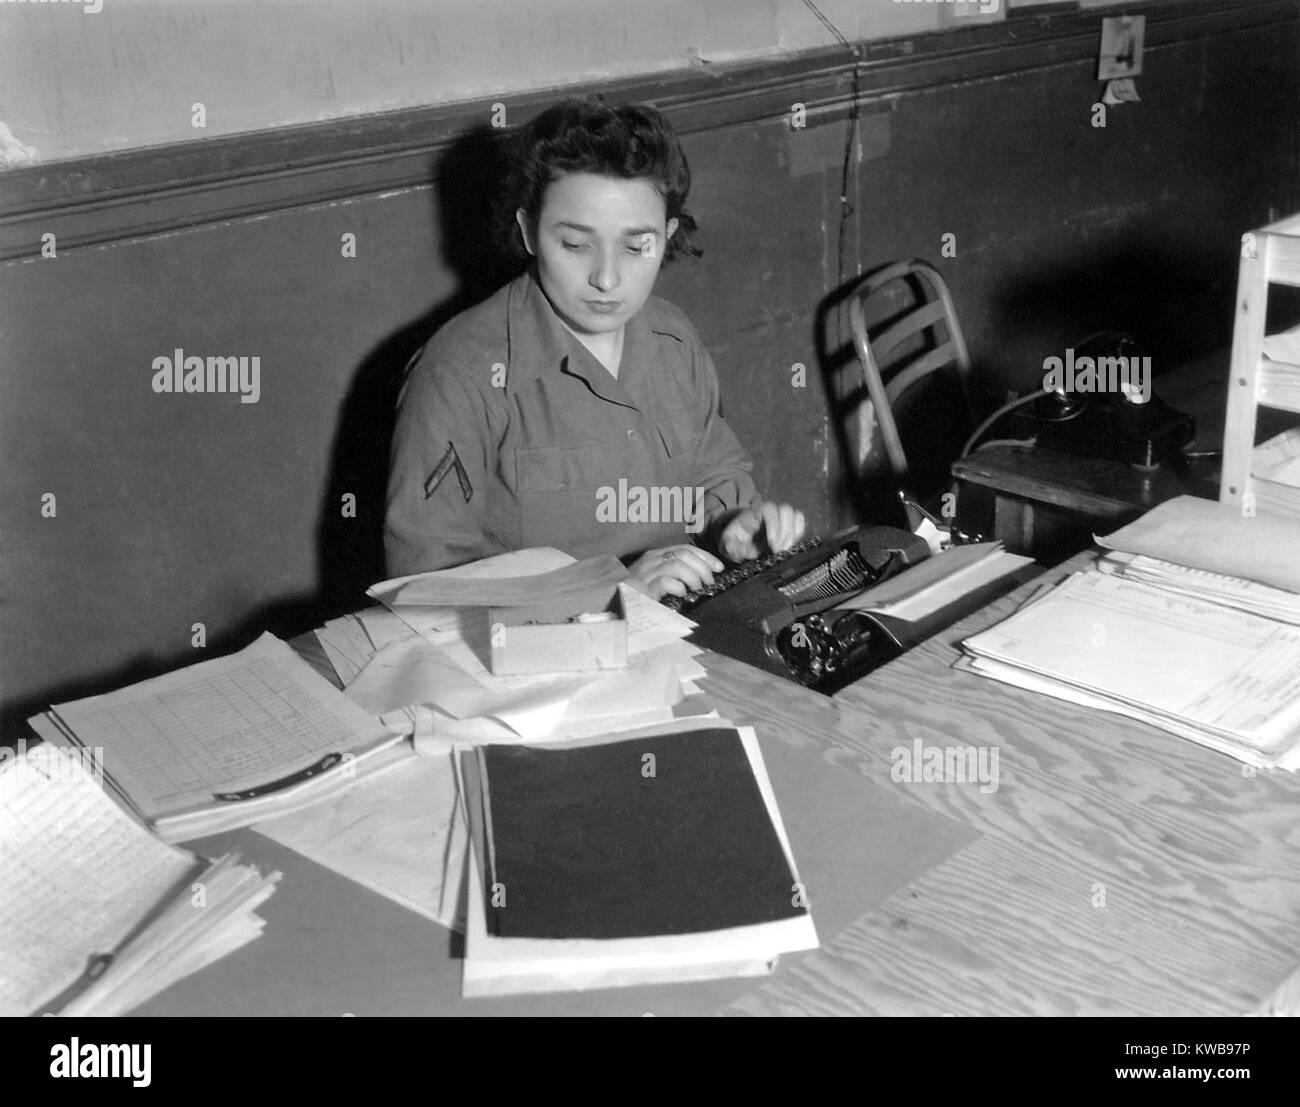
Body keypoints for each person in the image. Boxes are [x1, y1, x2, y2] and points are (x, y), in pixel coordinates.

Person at [384, 98, 806, 599]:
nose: (606, 278)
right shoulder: (461, 373)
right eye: (576, 244)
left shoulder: (674, 340)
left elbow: (713, 476)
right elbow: (425, 593)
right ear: (529, 232)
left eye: (635, 247)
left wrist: (734, 525)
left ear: (666, 236)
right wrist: (609, 594)